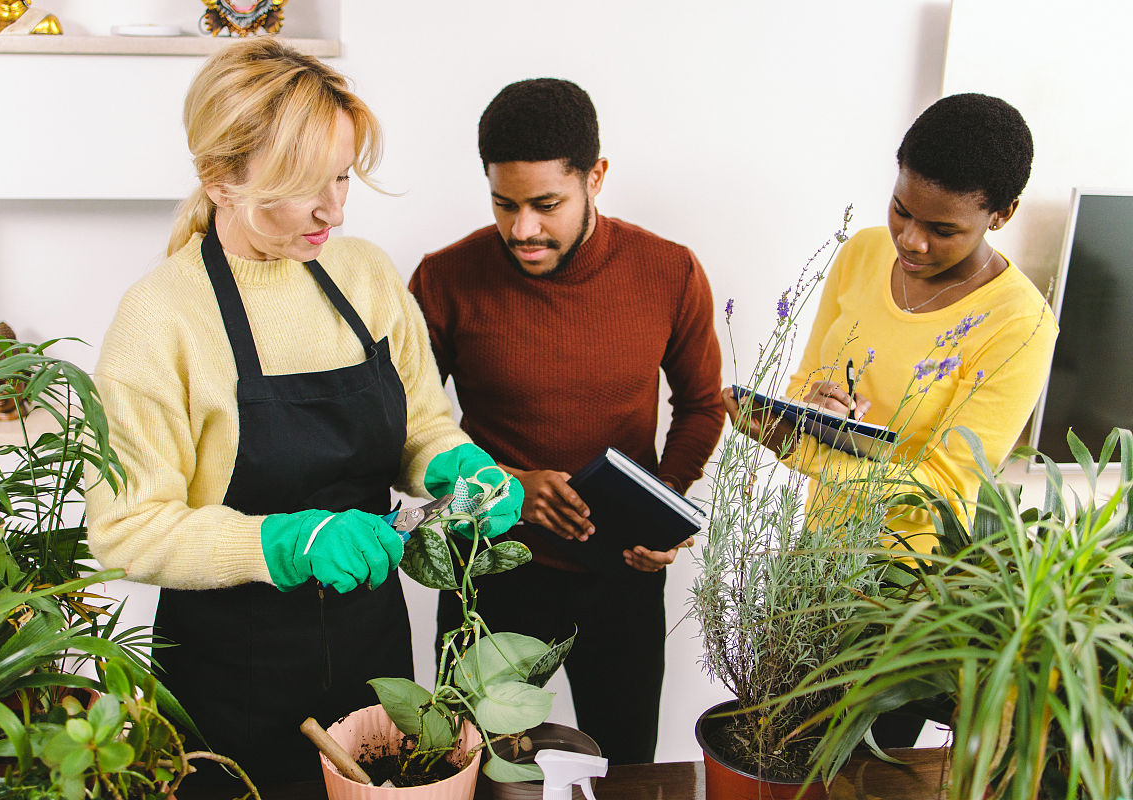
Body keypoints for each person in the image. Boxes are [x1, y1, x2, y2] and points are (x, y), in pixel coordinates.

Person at [84, 39, 521, 793]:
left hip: (373, 655)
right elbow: (125, 529)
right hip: (231, 674)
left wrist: (455, 463)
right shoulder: (161, 319)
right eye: (300, 186)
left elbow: (421, 423)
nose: (334, 209)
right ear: (220, 178)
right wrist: (285, 543)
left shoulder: (366, 276)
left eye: (343, 176)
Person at [724, 93, 1058, 744]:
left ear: (1003, 213)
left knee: (855, 776)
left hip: (899, 605)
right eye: (902, 210)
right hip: (812, 565)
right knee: (775, 751)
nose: (911, 239)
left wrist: (800, 450)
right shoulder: (863, 254)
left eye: (943, 229)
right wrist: (813, 405)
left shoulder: (1020, 326)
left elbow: (943, 491)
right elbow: (804, 379)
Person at [409, 78, 724, 765]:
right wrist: (508, 482)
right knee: (469, 767)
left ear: (596, 178)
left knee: (626, 768)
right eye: (504, 203)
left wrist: (661, 511)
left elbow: (702, 404)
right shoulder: (444, 279)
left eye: (546, 205)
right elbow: (408, 432)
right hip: (490, 571)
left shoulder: (668, 271)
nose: (523, 229)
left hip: (623, 572)